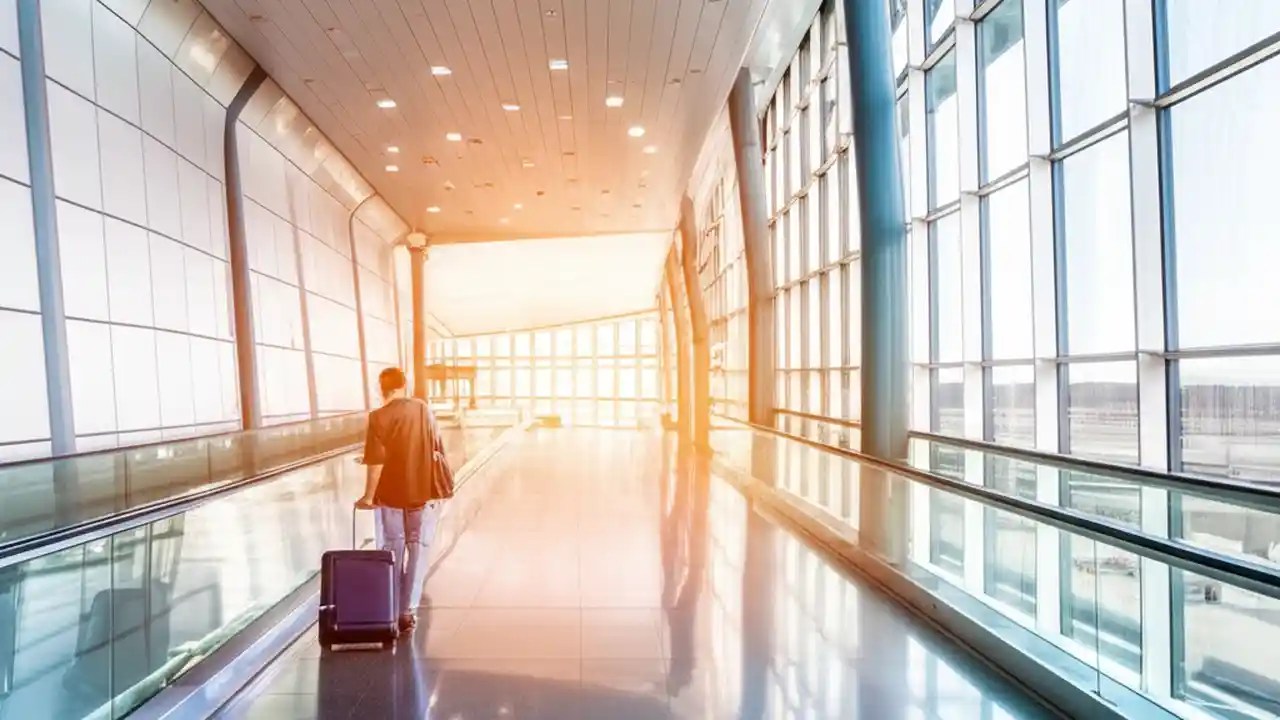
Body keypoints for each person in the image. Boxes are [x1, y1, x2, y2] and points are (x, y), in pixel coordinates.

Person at [356, 367, 452, 633]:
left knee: (393, 550)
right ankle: (407, 611)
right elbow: (436, 445)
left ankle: (390, 607)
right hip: (421, 492)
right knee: (417, 549)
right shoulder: (422, 409)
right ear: (404, 385)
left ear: (381, 388)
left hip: (390, 495)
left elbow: (376, 462)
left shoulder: (377, 417)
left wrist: (367, 496)